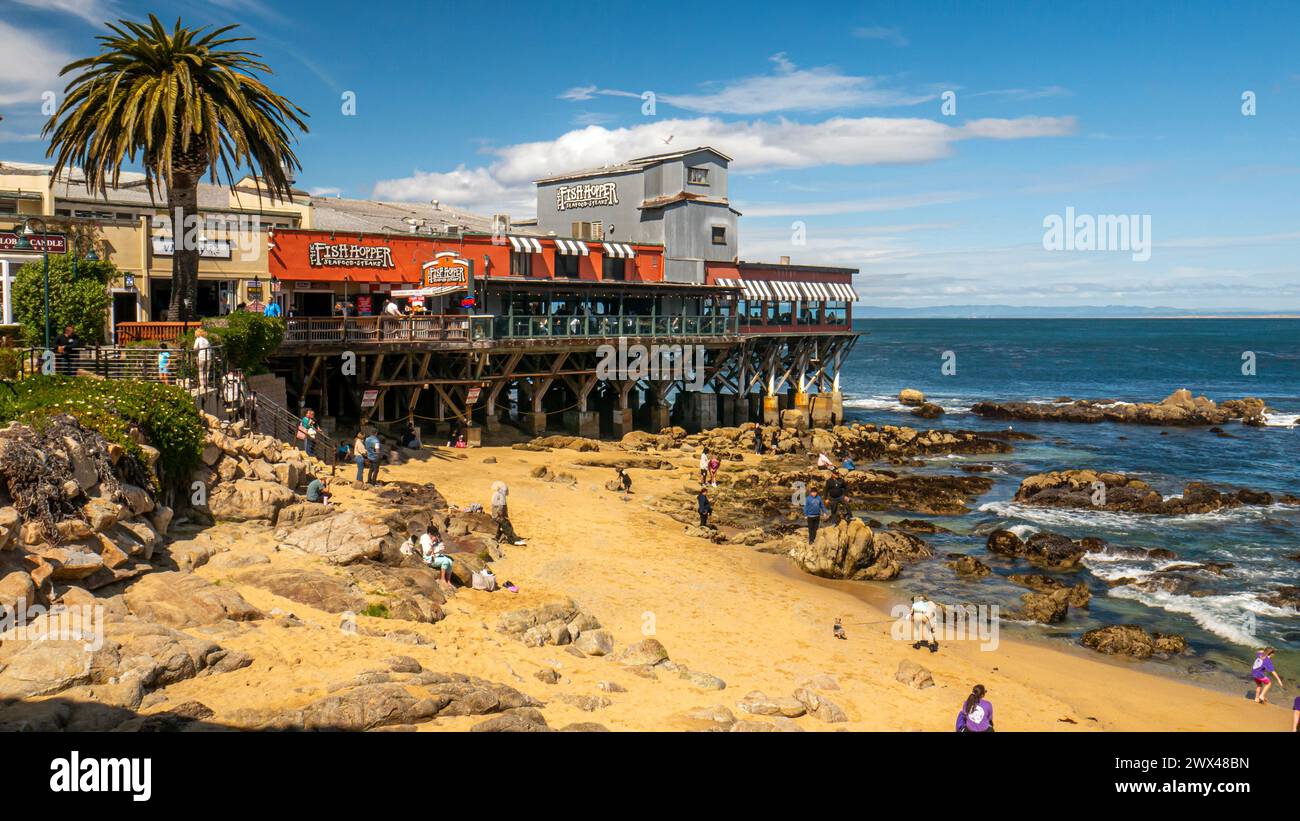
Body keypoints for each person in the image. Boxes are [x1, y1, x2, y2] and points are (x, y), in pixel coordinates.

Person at [490, 481, 526, 546]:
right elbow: (500, 508)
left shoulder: (496, 494)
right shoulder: (500, 496)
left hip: (496, 515)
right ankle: (513, 540)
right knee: (507, 525)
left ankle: (497, 537)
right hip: (498, 516)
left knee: (503, 524)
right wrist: (503, 516)